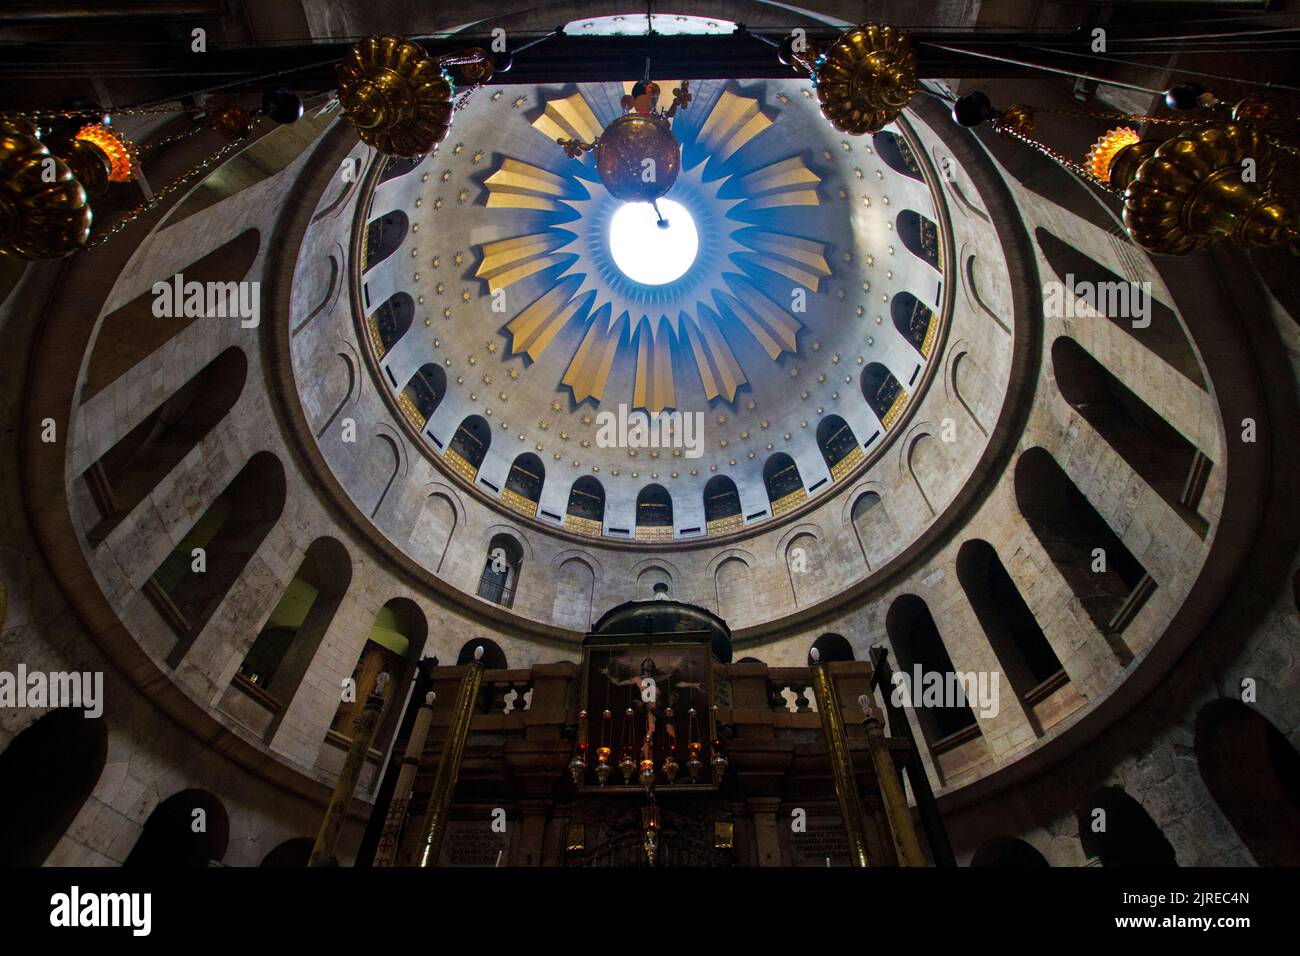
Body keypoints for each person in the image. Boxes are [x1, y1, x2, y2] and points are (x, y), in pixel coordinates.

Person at [601, 657, 702, 759]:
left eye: (650, 666)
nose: (648, 669)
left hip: (661, 708)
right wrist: (607, 674)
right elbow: (618, 683)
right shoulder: (638, 679)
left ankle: (677, 754)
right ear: (643, 668)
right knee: (651, 730)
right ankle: (646, 756)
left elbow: (678, 683)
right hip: (648, 709)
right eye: (646, 667)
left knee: (669, 729)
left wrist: (694, 684)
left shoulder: (659, 678)